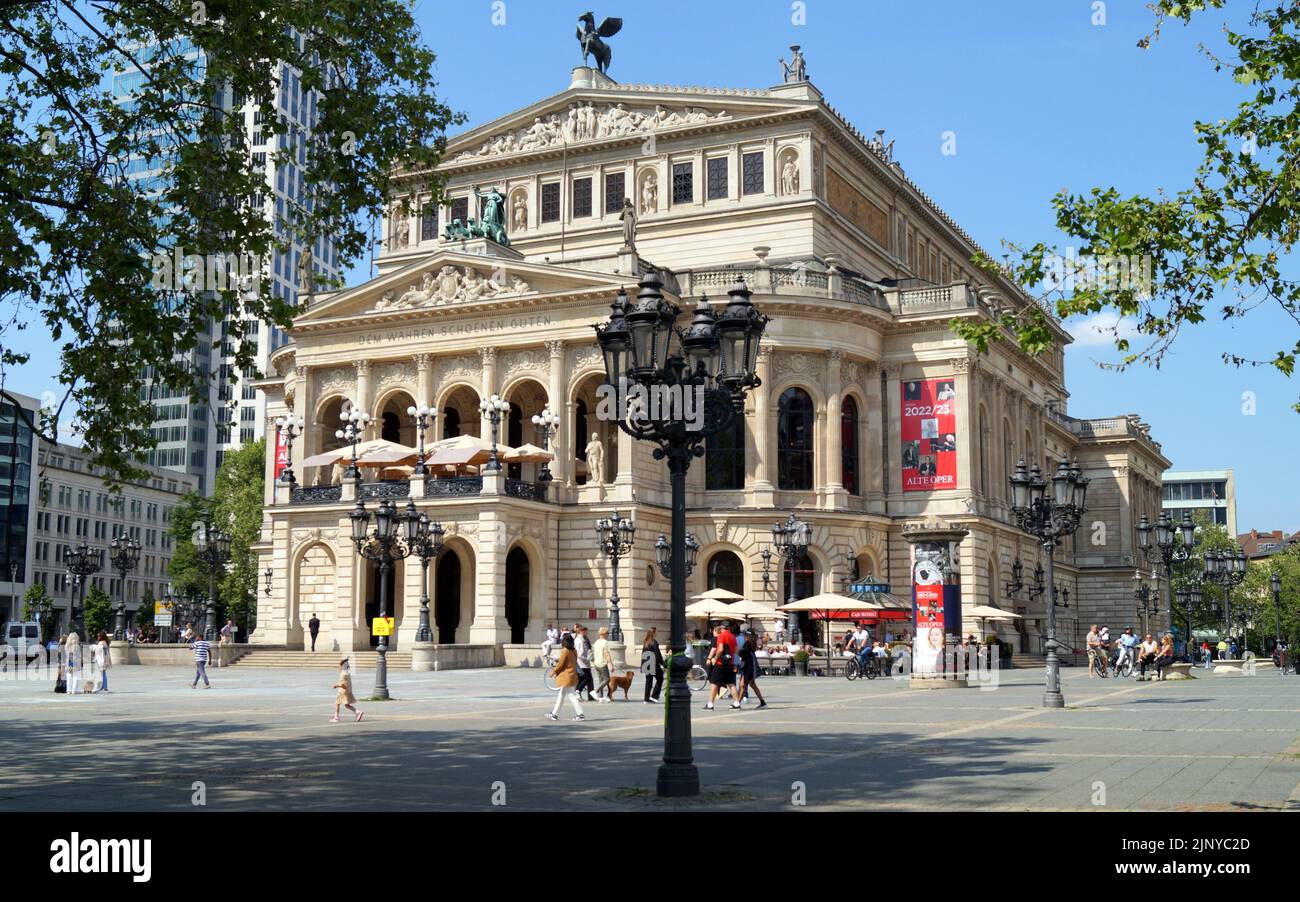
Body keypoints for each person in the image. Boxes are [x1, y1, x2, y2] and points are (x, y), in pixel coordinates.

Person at [546, 634, 585, 721]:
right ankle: (554, 714)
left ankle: (580, 714)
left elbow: (560, 664)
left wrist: (554, 672)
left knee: (571, 695)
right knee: (562, 695)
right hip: (572, 675)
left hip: (567, 676)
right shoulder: (573, 650)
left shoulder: (565, 651)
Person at [704, 624, 739, 710]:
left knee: (714, 682)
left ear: (722, 627)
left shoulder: (722, 636)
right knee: (731, 683)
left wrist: (715, 658)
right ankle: (737, 703)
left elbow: (720, 649)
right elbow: (736, 650)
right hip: (730, 662)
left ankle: (710, 704)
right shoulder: (732, 636)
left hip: (721, 663)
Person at [737, 631, 767, 709]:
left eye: (745, 634)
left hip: (748, 666)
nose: (744, 636)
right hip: (751, 665)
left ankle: (737, 704)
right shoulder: (752, 643)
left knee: (743, 685)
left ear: (747, 635)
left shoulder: (747, 643)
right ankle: (763, 702)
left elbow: (742, 653)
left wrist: (736, 651)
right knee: (752, 684)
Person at [641, 629, 664, 703]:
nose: (657, 633)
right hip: (653, 664)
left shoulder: (645, 642)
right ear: (653, 633)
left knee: (648, 682)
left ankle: (646, 699)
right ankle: (654, 696)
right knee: (660, 679)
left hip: (646, 664)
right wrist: (662, 663)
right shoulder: (654, 642)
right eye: (656, 632)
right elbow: (657, 654)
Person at [591, 626, 612, 703]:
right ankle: (595, 691)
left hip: (596, 663)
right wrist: (610, 664)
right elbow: (607, 654)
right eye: (607, 633)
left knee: (601, 680)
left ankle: (600, 697)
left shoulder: (596, 642)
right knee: (607, 679)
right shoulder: (605, 642)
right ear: (605, 634)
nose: (608, 635)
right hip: (602, 663)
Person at [574, 625, 594, 701]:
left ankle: (587, 695)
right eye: (586, 632)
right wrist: (589, 660)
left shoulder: (582, 639)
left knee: (583, 679)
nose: (587, 633)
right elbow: (581, 654)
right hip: (583, 663)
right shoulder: (580, 640)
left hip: (582, 663)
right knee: (587, 678)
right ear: (582, 632)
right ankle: (578, 691)